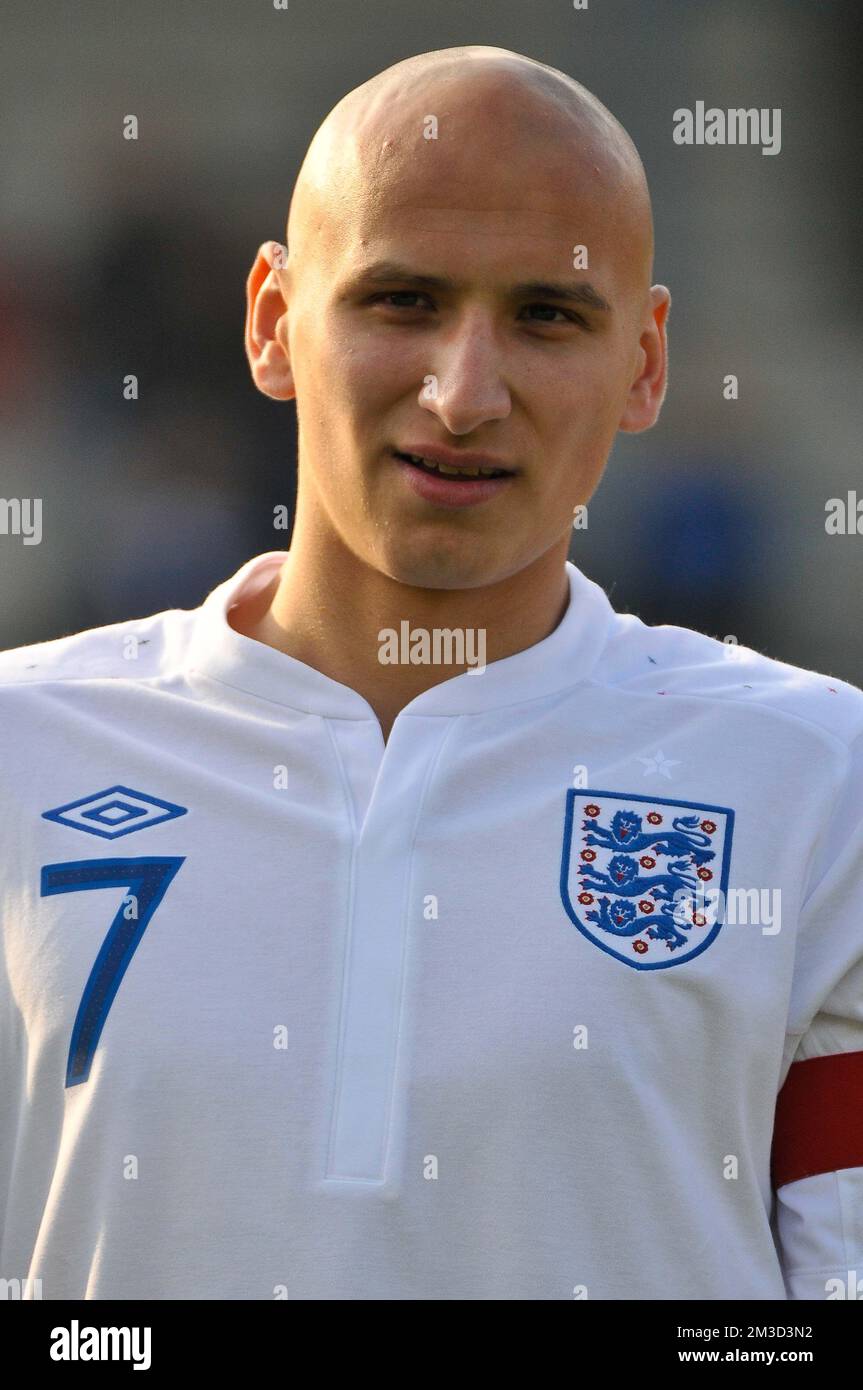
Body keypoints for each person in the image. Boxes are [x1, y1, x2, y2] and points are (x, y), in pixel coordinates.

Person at [1, 45, 861, 1302]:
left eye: (545, 316)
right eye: (400, 301)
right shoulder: (24, 750)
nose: (462, 396)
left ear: (645, 361)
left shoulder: (819, 786)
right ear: (271, 319)